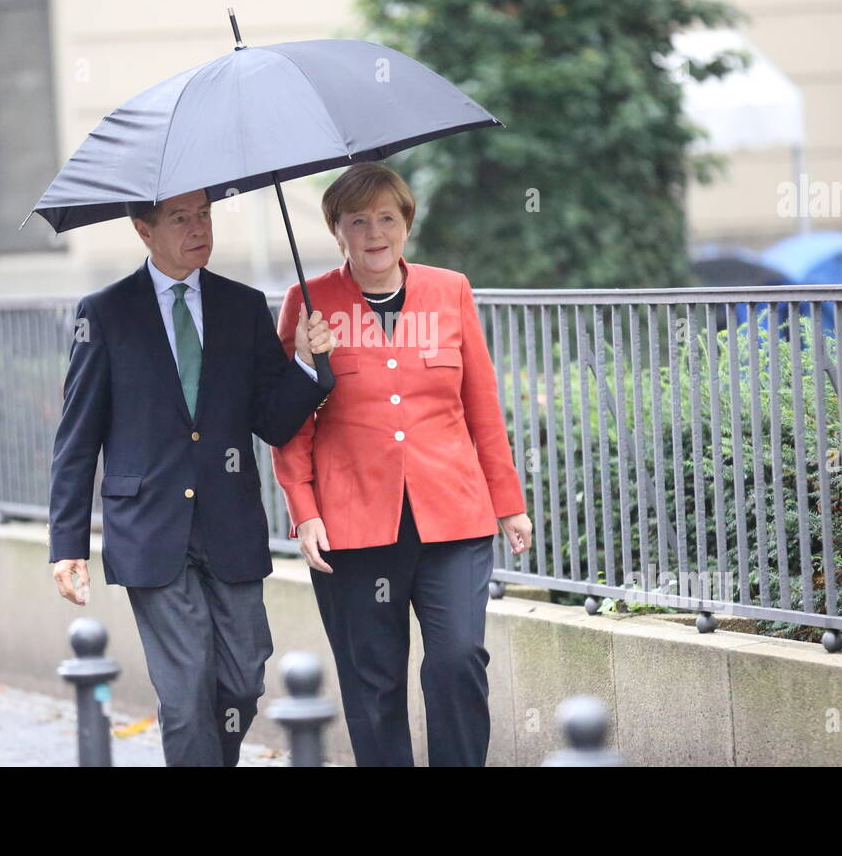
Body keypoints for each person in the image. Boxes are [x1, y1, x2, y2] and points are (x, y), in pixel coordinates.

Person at [48, 188, 335, 767]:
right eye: (180, 219)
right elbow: (77, 437)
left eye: (204, 216)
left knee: (240, 681)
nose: (198, 229)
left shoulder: (242, 305)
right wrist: (67, 544)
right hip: (149, 528)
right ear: (143, 230)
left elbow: (274, 423)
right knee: (183, 695)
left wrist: (309, 363)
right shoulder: (104, 313)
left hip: (230, 524)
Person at [271, 162, 531, 766]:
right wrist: (303, 510)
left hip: (453, 518)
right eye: (357, 220)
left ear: (406, 222)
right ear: (337, 231)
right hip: (354, 526)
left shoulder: (450, 291)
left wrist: (508, 503)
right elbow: (290, 425)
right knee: (373, 681)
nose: (374, 232)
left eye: (387, 217)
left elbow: (481, 406)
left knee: (458, 658)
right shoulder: (307, 305)